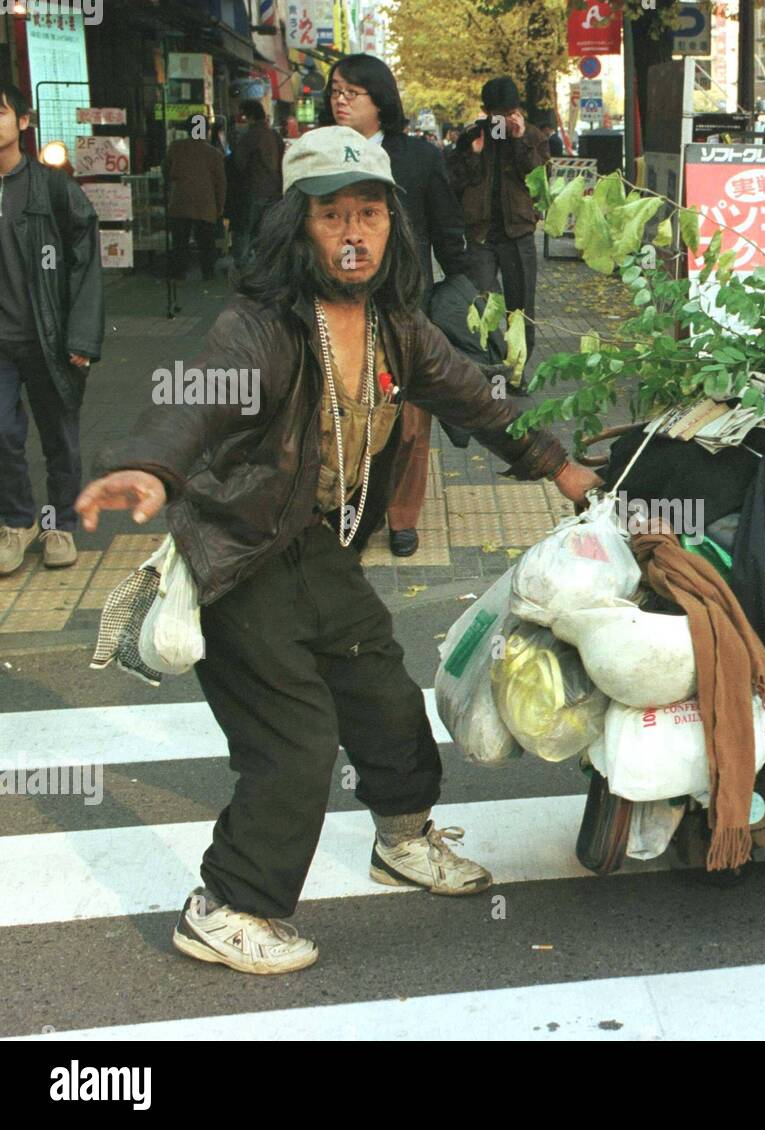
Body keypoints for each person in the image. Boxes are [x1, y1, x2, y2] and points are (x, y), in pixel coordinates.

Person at [77, 127, 601, 975]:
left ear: (394, 223)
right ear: (298, 226)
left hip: (317, 552)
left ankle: (401, 838)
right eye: (331, 216)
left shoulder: (397, 328)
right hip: (239, 559)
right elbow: (196, 400)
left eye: (369, 213)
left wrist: (565, 469)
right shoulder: (264, 327)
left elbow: (478, 400)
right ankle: (227, 905)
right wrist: (148, 465)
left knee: (388, 700)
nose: (354, 233)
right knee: (296, 743)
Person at [322, 54, 474, 558]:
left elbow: (448, 231)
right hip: (337, 310)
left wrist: (462, 290)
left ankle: (402, 517)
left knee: (409, 423)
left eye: (352, 93)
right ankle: (346, 500)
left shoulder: (418, 158)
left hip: (407, 309)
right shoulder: (317, 155)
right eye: (335, 91)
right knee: (343, 415)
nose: (339, 100)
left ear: (380, 102)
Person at [0, 83, 104, 575]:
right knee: (1, 433)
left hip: (48, 336)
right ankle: (17, 522)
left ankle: (59, 522)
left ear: (23, 121)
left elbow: (85, 262)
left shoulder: (53, 187)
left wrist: (81, 337)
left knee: (59, 436)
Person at [447, 77, 549, 386]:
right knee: (484, 306)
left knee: (521, 308)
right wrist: (472, 151)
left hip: (518, 233)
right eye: (497, 114)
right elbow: (454, 183)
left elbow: (538, 182)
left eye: (509, 112)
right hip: (481, 236)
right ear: (485, 111)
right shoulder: (473, 137)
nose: (503, 120)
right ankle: (491, 370)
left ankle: (516, 373)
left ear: (517, 110)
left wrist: (519, 141)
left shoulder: (532, 136)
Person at [164, 120, 227, 281]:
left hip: (180, 200)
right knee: (206, 241)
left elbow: (167, 172)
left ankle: (178, 273)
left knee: (180, 241)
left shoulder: (175, 148)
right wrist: (220, 206)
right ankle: (208, 272)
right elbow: (221, 182)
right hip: (205, 203)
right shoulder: (214, 153)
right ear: (206, 131)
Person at [230, 99, 283, 267]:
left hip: (254, 189)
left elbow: (239, 163)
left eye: (243, 115)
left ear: (250, 116)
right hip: (274, 190)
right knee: (266, 230)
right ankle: (266, 264)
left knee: (244, 229)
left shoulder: (250, 136)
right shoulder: (274, 135)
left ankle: (243, 265)